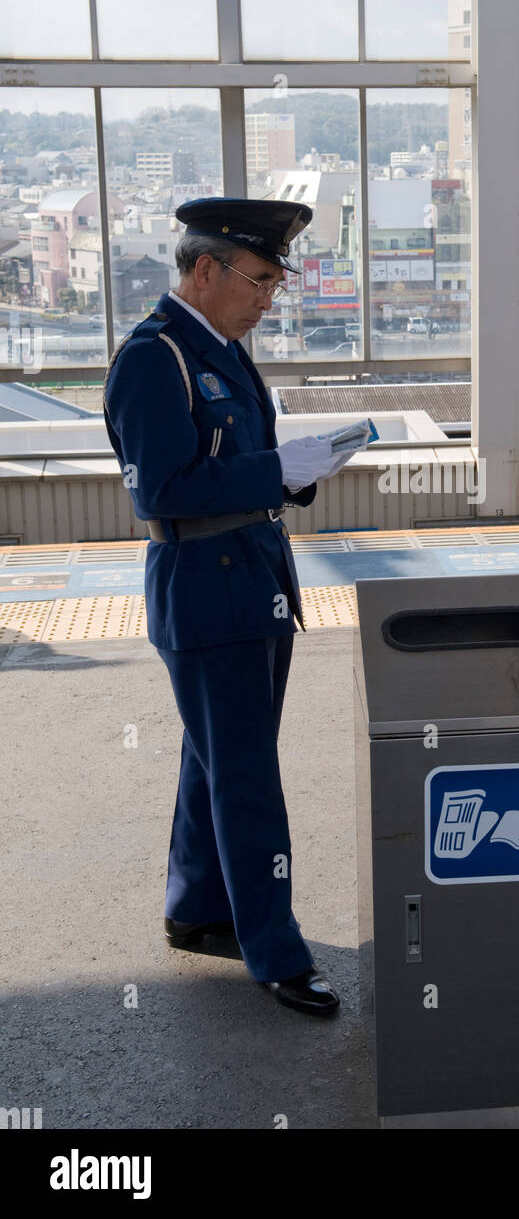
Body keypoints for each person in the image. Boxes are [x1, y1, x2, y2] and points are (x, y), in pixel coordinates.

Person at [104, 197, 356, 1016]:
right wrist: (273, 472)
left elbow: (247, 459)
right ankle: (276, 951)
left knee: (212, 753)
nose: (267, 300)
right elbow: (163, 491)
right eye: (259, 281)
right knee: (245, 772)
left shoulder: (221, 348)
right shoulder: (154, 358)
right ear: (204, 269)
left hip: (251, 571)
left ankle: (195, 905)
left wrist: (296, 470)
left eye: (276, 286)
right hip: (207, 581)